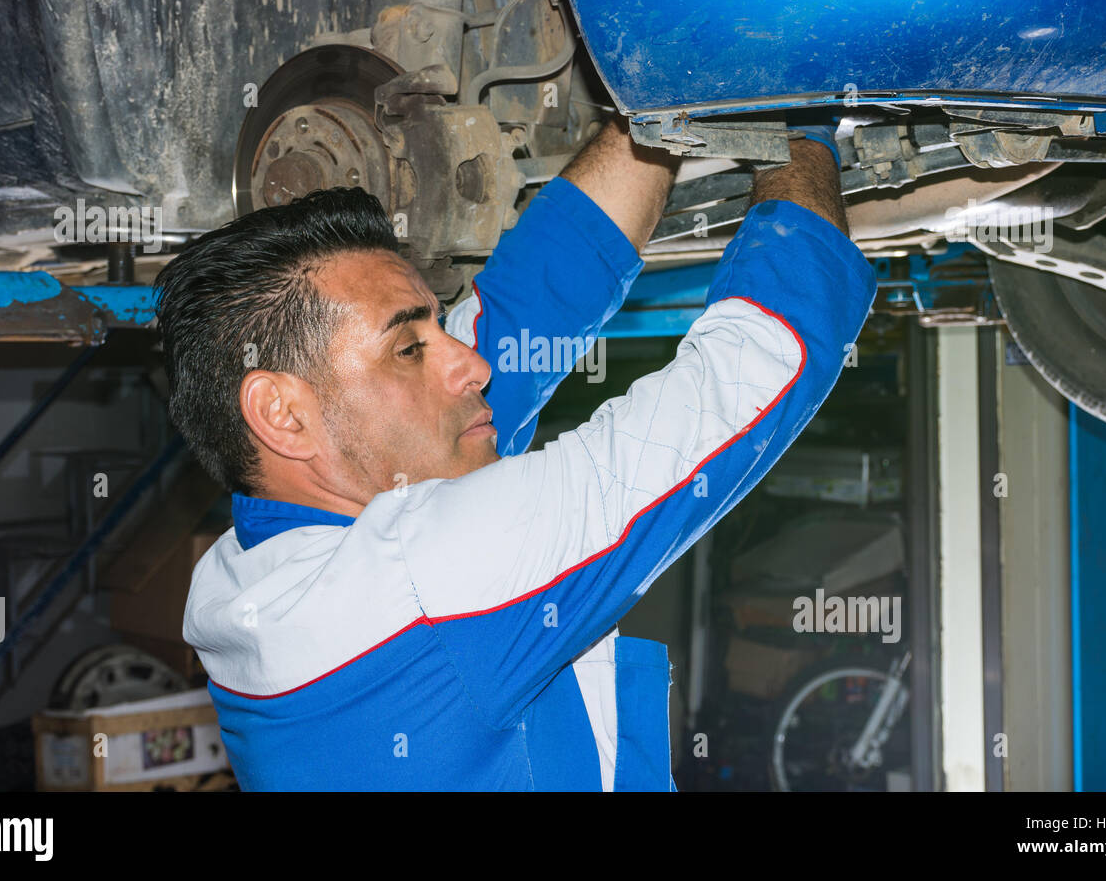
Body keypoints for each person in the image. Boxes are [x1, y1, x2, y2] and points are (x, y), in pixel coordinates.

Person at [156, 115, 874, 790]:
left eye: (436, 329)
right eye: (410, 347)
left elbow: (532, 308)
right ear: (281, 414)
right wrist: (800, 125)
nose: (471, 366)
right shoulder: (415, 590)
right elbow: (761, 365)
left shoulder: (261, 572)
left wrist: (661, 106)